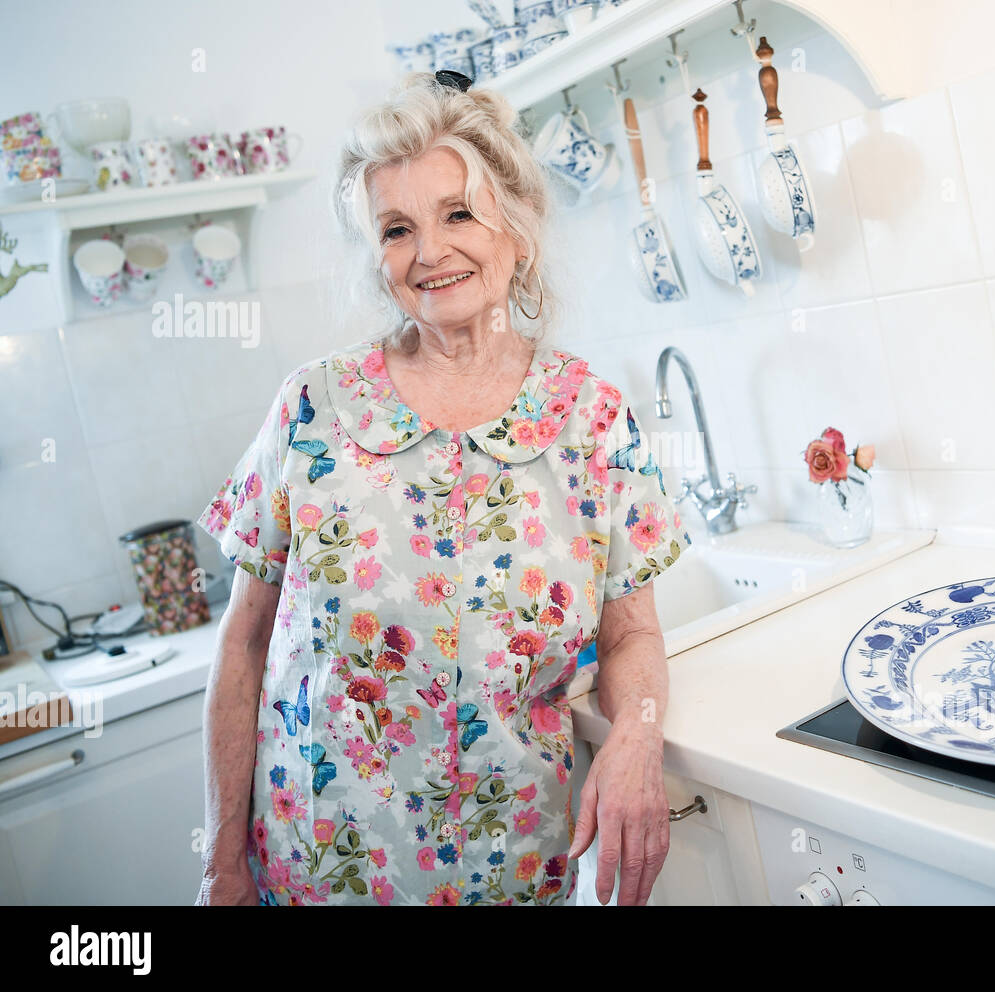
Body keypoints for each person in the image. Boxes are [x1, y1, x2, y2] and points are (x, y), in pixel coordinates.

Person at [193, 70, 691, 906]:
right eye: (396, 228)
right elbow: (241, 642)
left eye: (458, 212)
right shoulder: (311, 409)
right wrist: (221, 862)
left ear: (517, 226)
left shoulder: (592, 420)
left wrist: (638, 739)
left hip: (516, 866)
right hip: (317, 871)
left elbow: (632, 634)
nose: (429, 251)